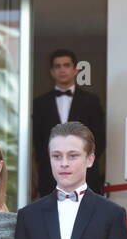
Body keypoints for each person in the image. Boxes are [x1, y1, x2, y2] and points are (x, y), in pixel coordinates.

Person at [31, 49, 106, 197]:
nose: (62, 70)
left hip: (87, 177)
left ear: (75, 70)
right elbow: (38, 142)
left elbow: (99, 141)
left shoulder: (92, 101)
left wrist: (81, 163)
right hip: (49, 178)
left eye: (66, 65)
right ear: (51, 72)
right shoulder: (40, 104)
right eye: (57, 66)